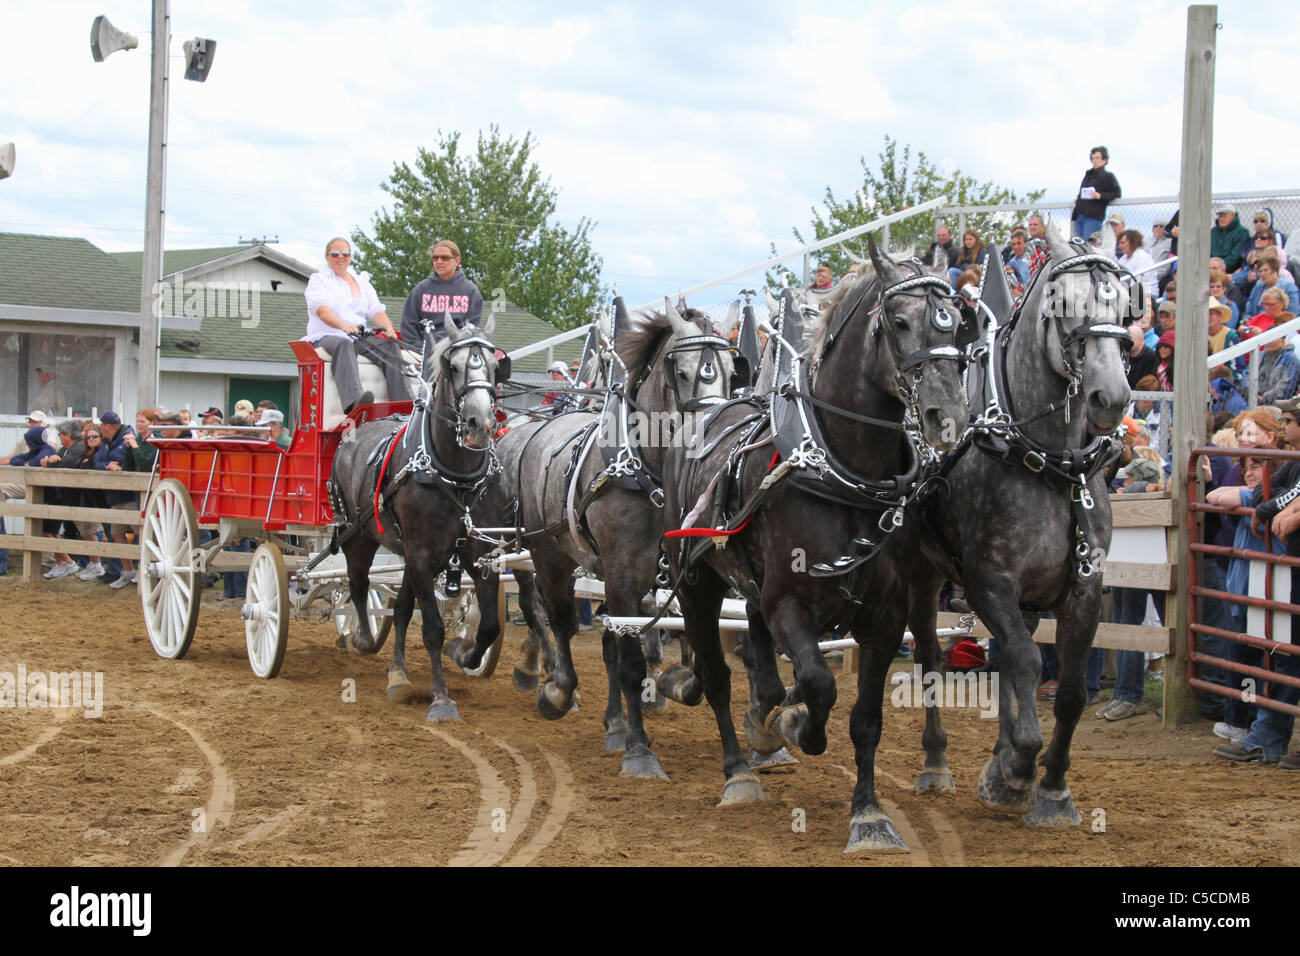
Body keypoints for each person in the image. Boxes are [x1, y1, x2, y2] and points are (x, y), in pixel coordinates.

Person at [304, 236, 411, 414]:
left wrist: (388, 329)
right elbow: (322, 311)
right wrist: (343, 325)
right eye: (335, 253)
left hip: (356, 335)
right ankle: (355, 403)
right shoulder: (319, 280)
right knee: (343, 344)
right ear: (327, 257)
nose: (341, 257)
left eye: (345, 253)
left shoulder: (361, 282)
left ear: (350, 256)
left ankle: (404, 404)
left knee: (389, 346)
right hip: (326, 335)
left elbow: (376, 311)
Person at [400, 239, 485, 345]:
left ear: (457, 260)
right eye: (435, 258)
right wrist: (420, 350)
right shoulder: (421, 290)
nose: (439, 261)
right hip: (423, 352)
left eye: (444, 258)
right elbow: (408, 326)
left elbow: (472, 328)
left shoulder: (471, 291)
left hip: (458, 350)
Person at [1071, 146, 1121, 240]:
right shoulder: (1088, 176)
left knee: (1089, 247)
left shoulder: (1108, 176)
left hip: (1093, 217)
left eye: (1097, 158)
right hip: (1080, 215)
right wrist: (1079, 198)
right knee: (1077, 247)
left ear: (1104, 160)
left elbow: (1117, 193)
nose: (1094, 160)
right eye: (1093, 158)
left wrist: (1101, 196)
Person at [1117, 229, 1158, 300]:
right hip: (1129, 293)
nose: (1120, 246)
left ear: (1133, 242)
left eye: (1122, 243)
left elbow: (1139, 281)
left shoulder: (1143, 257)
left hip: (1147, 294)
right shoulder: (1122, 259)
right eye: (1119, 243)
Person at [1210, 203, 1251, 274]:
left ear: (1234, 217)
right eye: (1220, 216)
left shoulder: (1242, 232)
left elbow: (1236, 257)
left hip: (1231, 271)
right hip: (1211, 268)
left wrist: (1219, 268)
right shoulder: (1213, 232)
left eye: (1225, 216)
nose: (1222, 219)